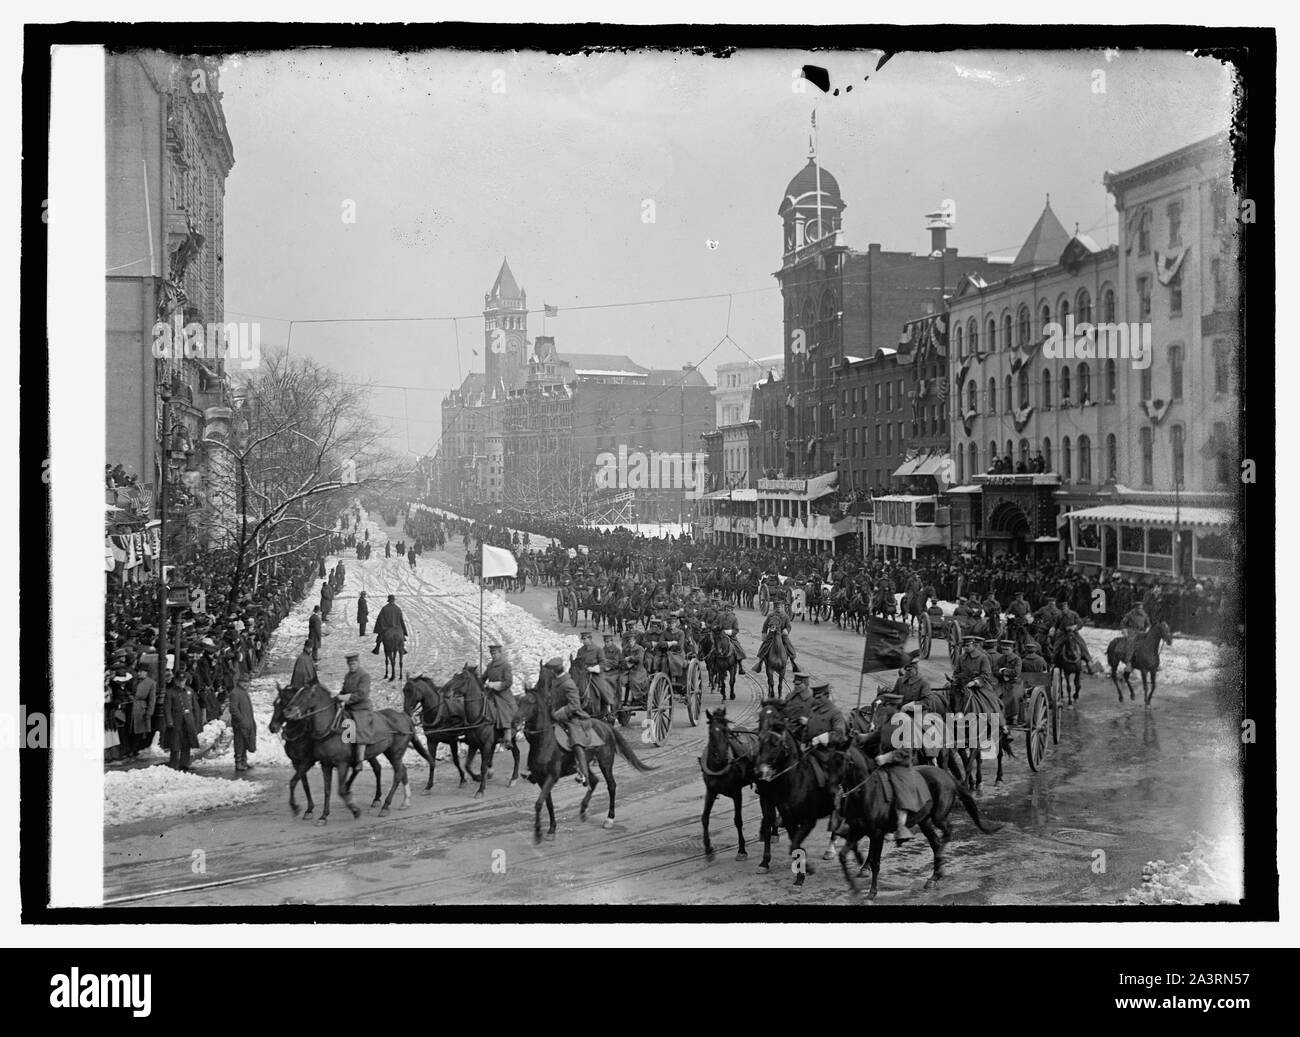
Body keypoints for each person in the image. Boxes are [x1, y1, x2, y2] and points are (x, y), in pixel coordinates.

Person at [546, 657, 593, 786]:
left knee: (575, 742)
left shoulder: (568, 684)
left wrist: (559, 713)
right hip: (556, 717)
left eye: (550, 670)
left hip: (572, 718)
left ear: (555, 671)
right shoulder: (555, 682)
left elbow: (575, 705)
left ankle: (583, 774)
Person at [337, 651, 374, 770]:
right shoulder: (348, 675)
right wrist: (337, 697)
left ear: (358, 662)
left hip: (361, 708)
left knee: (360, 729)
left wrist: (347, 698)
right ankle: (345, 754)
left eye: (353, 663)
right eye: (350, 664)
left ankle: (359, 760)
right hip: (349, 708)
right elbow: (343, 690)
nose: (351, 665)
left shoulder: (364, 676)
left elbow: (361, 694)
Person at [164, 669, 199, 771]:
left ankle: (185, 763)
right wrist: (169, 721)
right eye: (179, 680)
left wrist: (196, 720)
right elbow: (167, 709)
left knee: (186, 742)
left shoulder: (189, 691)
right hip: (176, 720)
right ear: (175, 681)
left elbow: (194, 706)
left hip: (188, 720)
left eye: (183, 680)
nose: (181, 682)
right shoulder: (170, 693)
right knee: (175, 743)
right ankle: (174, 764)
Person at [481, 644, 517, 732]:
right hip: (489, 692)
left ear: (500, 653)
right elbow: (483, 678)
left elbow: (508, 682)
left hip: (502, 694)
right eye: (491, 654)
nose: (493, 655)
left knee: (503, 709)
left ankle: (507, 730)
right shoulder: (490, 665)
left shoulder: (506, 665)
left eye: (495, 653)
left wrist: (495, 684)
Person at [228, 675, 257, 772]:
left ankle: (244, 761)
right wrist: (241, 720)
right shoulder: (235, 693)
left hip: (247, 723)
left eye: (247, 682)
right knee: (239, 742)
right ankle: (238, 762)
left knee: (245, 742)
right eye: (243, 682)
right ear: (239, 682)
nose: (246, 684)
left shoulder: (243, 692)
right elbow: (233, 709)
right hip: (240, 724)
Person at [130, 662, 156, 757]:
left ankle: (136, 750)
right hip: (132, 707)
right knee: (132, 730)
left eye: (142, 671)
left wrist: (149, 712)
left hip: (141, 709)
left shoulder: (151, 683)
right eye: (138, 671)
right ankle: (132, 749)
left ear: (146, 672)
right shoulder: (134, 681)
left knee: (140, 731)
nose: (139, 673)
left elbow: (152, 699)